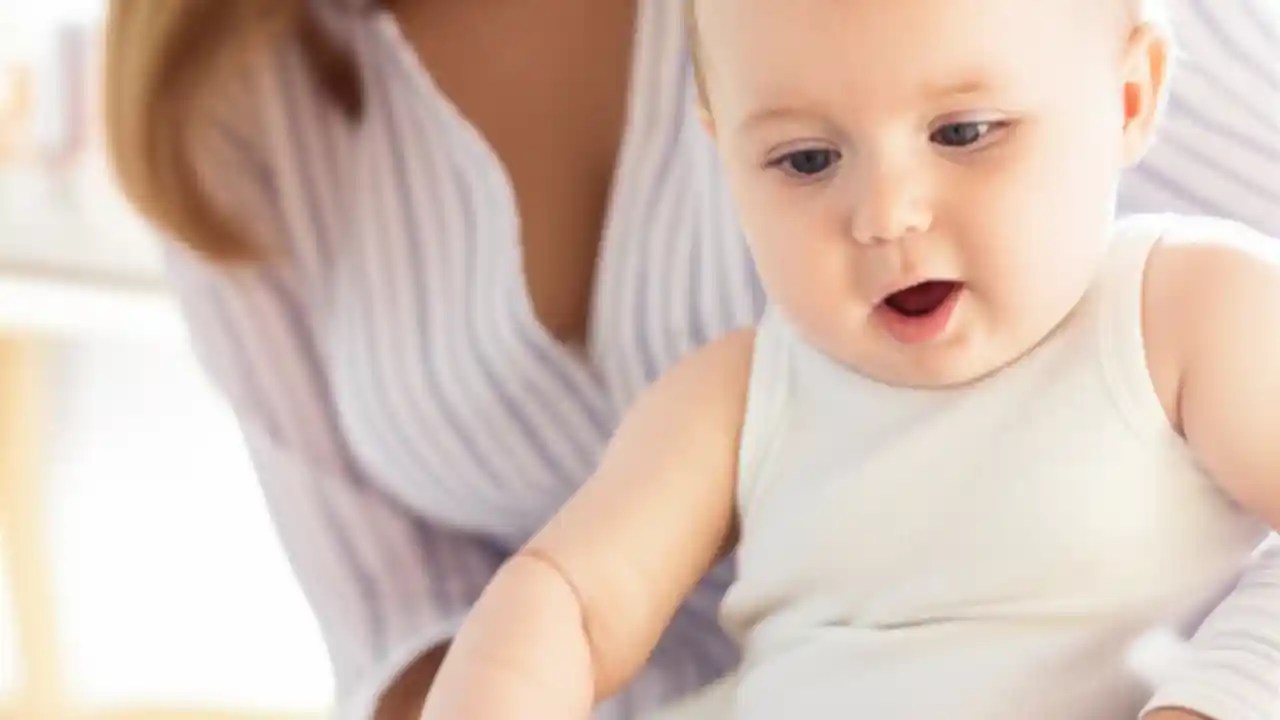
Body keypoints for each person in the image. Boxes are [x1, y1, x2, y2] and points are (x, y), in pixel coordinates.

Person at [99, 0, 1280, 718]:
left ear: (1130, 96)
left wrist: (1211, 705)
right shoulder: (739, 393)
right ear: (726, 148)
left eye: (962, 134)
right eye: (805, 162)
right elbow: (560, 599)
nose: (886, 213)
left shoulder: (1182, 307)